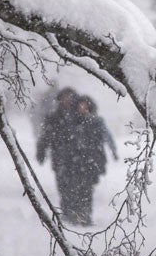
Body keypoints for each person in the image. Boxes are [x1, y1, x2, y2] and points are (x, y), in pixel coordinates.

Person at [35, 91, 116, 226]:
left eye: (86, 107)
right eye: (80, 106)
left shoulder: (94, 122)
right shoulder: (62, 120)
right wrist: (43, 152)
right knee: (67, 189)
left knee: (85, 191)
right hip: (68, 163)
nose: (83, 109)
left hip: (86, 164)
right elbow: (51, 137)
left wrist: (102, 160)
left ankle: (83, 216)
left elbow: (100, 142)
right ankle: (70, 213)